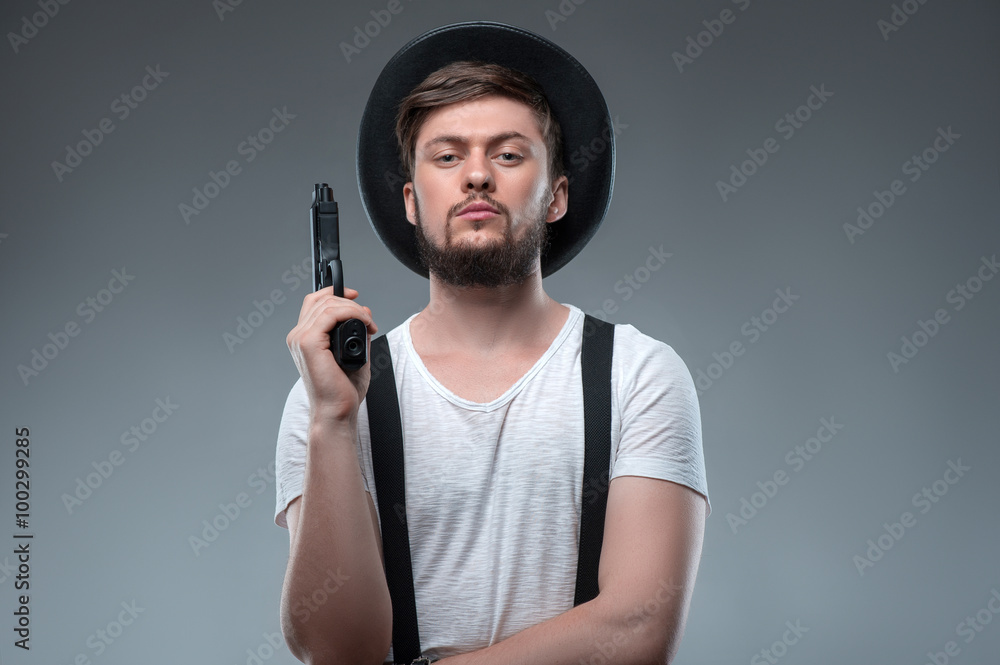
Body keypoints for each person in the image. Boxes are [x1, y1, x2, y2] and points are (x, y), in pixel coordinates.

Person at [274, 21, 711, 665]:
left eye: (508, 155)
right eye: (447, 157)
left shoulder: (637, 375)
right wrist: (334, 422)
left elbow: (637, 630)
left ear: (556, 195)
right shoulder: (328, 399)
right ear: (411, 201)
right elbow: (337, 651)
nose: (476, 175)